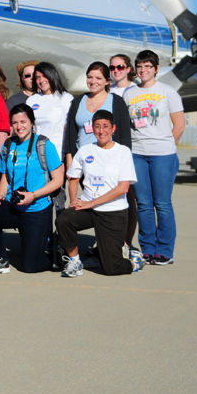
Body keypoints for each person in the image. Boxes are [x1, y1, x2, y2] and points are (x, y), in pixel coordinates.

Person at [0, 103, 64, 274]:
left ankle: (55, 255)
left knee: (30, 266)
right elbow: (5, 176)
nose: (19, 127)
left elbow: (58, 180)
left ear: (32, 122)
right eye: (15, 122)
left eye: (23, 122)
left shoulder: (44, 145)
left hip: (37, 208)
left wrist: (33, 195)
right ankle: (1, 259)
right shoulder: (8, 145)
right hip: (13, 205)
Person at [63, 62, 137, 255]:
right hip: (84, 160)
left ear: (107, 81)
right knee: (85, 202)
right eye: (90, 77)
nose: (93, 81)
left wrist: (121, 160)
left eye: (98, 78)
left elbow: (124, 135)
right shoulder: (78, 101)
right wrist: (70, 156)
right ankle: (75, 252)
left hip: (110, 158)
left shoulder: (116, 101)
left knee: (120, 201)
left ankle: (123, 243)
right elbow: (71, 132)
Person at [59, 110, 145, 276]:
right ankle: (74, 261)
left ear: (113, 128)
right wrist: (74, 199)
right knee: (64, 220)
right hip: (89, 209)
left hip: (113, 211)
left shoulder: (123, 152)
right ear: (92, 128)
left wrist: (91, 202)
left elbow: (123, 188)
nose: (101, 131)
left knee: (112, 268)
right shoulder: (85, 151)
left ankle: (134, 263)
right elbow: (73, 177)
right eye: (97, 127)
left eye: (105, 126)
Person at [123, 50, 185, 266]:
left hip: (163, 155)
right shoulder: (129, 94)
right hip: (137, 154)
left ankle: (165, 251)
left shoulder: (168, 92)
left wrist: (166, 146)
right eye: (140, 66)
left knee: (162, 203)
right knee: (144, 204)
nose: (143, 70)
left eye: (148, 66)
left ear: (156, 68)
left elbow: (179, 125)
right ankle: (148, 249)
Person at [26, 61, 74, 166]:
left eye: (44, 76)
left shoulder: (66, 98)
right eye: (38, 78)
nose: (41, 80)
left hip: (57, 156)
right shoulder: (31, 100)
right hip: (36, 156)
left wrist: (66, 161)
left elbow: (70, 132)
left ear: (51, 75)